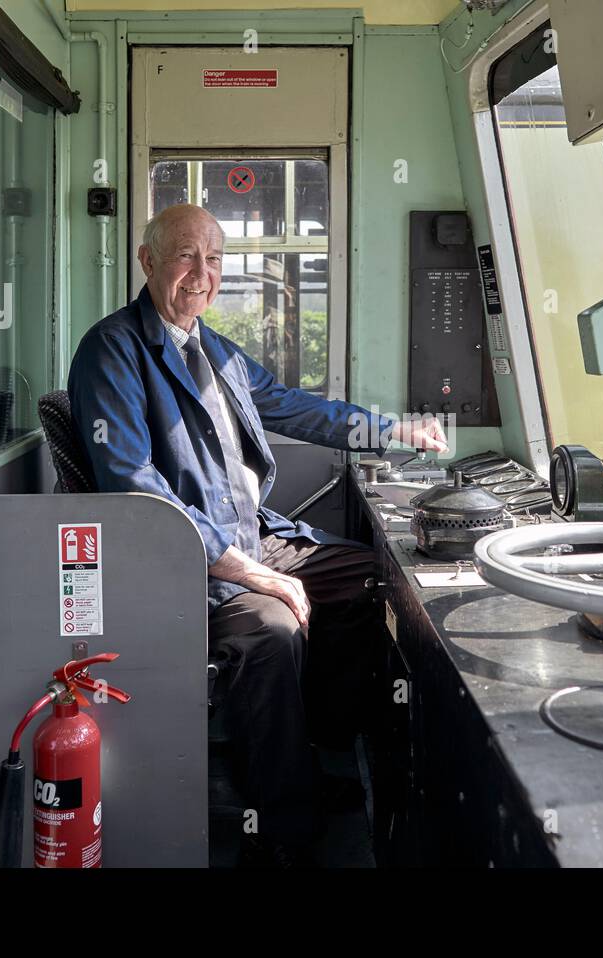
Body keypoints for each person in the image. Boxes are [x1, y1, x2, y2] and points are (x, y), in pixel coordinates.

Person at [68, 203, 447, 864]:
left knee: (368, 580)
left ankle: (317, 751)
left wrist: (391, 431)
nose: (201, 274)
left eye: (213, 260)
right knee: (271, 630)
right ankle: (283, 829)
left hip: (251, 534)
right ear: (148, 260)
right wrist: (247, 569)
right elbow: (132, 485)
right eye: (186, 255)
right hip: (182, 561)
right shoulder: (113, 350)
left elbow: (296, 407)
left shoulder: (211, 348)